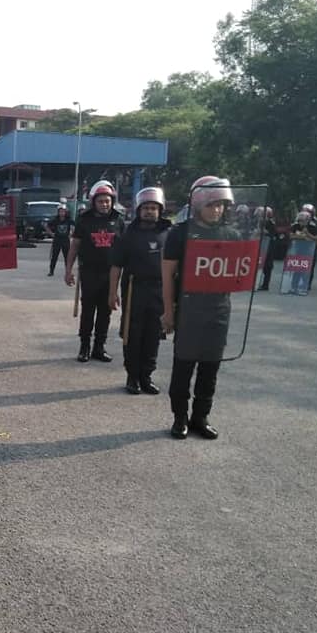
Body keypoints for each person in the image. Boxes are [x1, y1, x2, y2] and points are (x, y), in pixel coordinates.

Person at [161, 175, 240, 440]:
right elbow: (168, 275)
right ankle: (180, 418)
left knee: (210, 368)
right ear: (198, 204)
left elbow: (239, 270)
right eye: (211, 205)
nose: (216, 210)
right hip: (189, 309)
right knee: (183, 366)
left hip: (218, 309)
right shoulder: (180, 233)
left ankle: (200, 417)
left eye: (220, 205)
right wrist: (169, 311)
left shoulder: (231, 234)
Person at [109, 187, 172, 395]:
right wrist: (112, 292)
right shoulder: (127, 234)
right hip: (134, 289)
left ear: (160, 210)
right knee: (133, 334)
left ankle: (146, 376)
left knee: (153, 335)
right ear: (138, 210)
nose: (150, 212)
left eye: (154, 208)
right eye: (146, 208)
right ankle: (132, 377)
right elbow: (116, 265)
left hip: (159, 291)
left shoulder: (168, 234)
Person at [64, 180, 125, 362]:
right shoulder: (84, 220)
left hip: (110, 275)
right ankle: (84, 347)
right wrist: (68, 270)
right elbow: (74, 247)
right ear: (94, 202)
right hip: (89, 273)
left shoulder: (118, 220)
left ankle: (100, 347)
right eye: (101, 201)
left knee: (106, 312)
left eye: (107, 201)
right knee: (88, 311)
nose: (104, 204)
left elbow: (124, 249)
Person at [289, 210, 317, 294]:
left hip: (309, 250)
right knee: (297, 268)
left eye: (303, 221)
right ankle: (293, 286)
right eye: (300, 220)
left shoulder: (313, 226)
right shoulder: (295, 226)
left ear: (308, 220)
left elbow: (316, 238)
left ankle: (304, 286)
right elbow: (291, 236)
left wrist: (307, 234)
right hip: (298, 249)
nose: (301, 222)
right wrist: (301, 237)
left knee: (306, 269)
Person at [47, 204, 73, 276]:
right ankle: (51, 271)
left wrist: (71, 233)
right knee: (54, 256)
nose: (62, 213)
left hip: (65, 240)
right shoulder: (55, 220)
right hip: (57, 240)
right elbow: (47, 226)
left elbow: (75, 226)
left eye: (63, 211)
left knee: (67, 257)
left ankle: (68, 272)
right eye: (60, 211)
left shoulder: (68, 220)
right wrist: (51, 234)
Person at [255, 206, 277, 291]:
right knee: (259, 265)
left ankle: (265, 285)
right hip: (261, 245)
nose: (260, 215)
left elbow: (270, 233)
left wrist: (261, 230)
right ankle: (256, 283)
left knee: (268, 266)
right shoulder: (259, 221)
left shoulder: (271, 222)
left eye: (261, 214)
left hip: (269, 246)